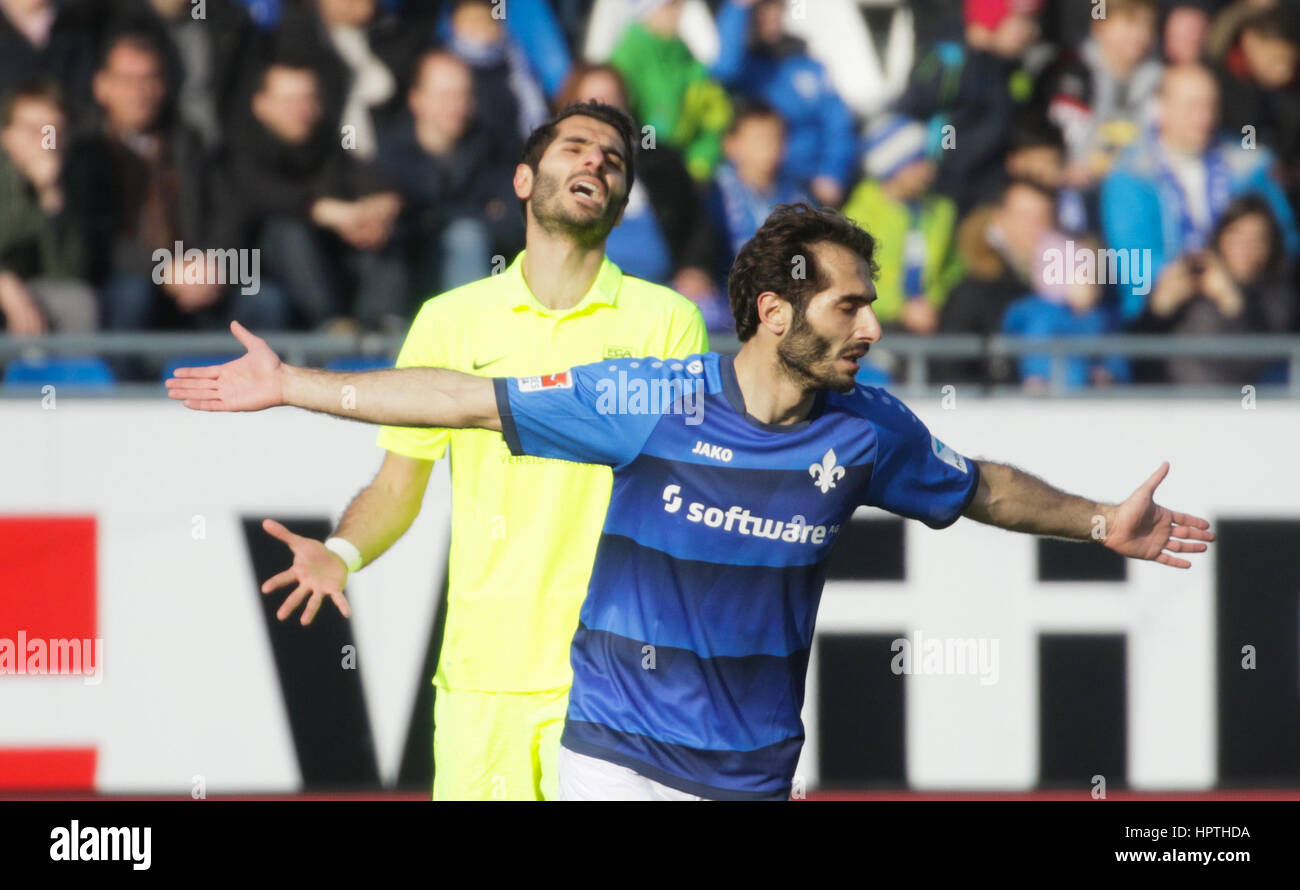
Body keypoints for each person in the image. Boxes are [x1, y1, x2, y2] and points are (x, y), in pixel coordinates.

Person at [167, 203, 1214, 801]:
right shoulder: (648, 397)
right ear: (772, 310)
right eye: (848, 304)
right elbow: (467, 400)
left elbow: (977, 482)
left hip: (756, 777)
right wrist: (297, 383)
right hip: (613, 760)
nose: (868, 328)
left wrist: (1092, 521)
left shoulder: (870, 429)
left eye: (870, 307)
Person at [194, 100, 707, 802]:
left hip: (613, 683)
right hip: (479, 681)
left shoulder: (668, 323)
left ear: (619, 207)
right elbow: (397, 487)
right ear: (523, 182)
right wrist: (342, 552)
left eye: (613, 159)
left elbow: (681, 492)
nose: (595, 161)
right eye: (577, 147)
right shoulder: (449, 320)